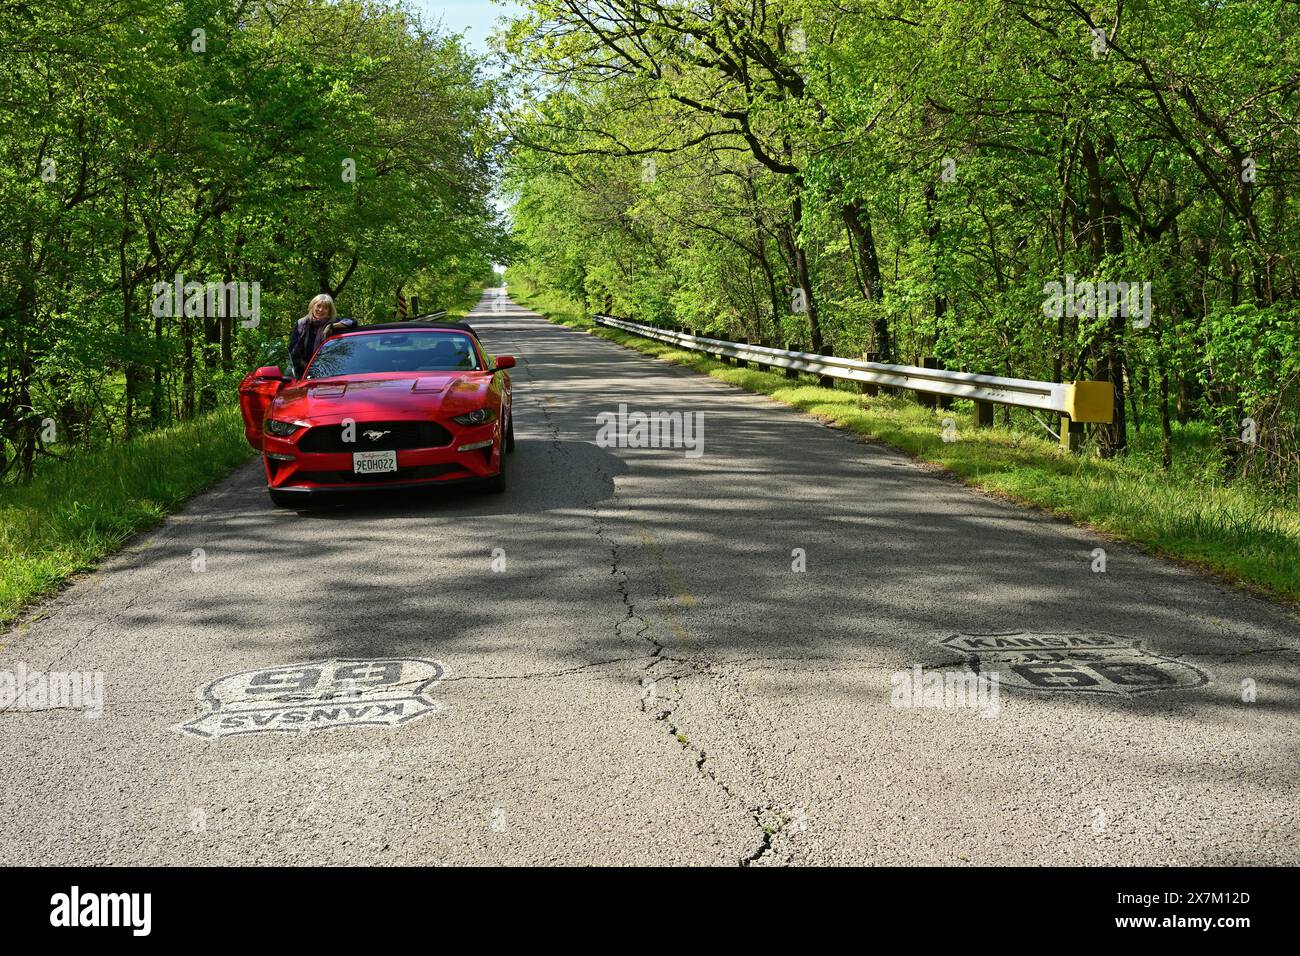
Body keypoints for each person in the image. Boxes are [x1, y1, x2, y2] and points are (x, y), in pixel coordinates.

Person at [289, 294, 355, 377]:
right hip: (302, 371)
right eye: (318, 306)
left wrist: (332, 326)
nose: (321, 310)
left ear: (330, 311)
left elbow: (353, 322)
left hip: (328, 372)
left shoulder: (333, 322)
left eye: (325, 308)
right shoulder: (301, 324)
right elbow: (292, 350)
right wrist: (308, 368)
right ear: (312, 306)